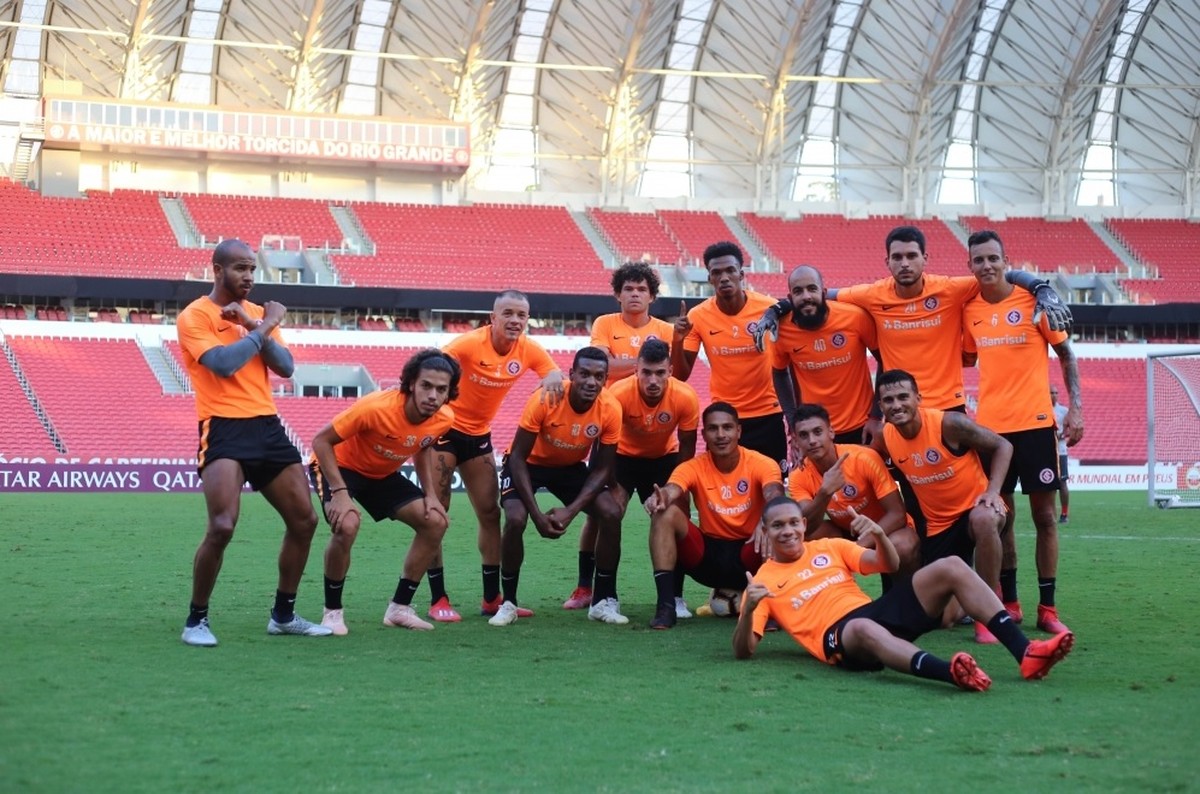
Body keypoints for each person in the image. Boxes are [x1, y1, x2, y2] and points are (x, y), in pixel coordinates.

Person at [733, 497, 1075, 691]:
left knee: (952, 565)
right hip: (838, 638)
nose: (788, 530)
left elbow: (887, 563)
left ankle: (1025, 652)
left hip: (874, 613)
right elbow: (744, 651)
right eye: (777, 525)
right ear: (766, 531)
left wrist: (880, 535)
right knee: (863, 629)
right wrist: (749, 609)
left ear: (804, 524)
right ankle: (950, 672)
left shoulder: (829, 546)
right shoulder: (761, 581)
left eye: (793, 522)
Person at [175, 239, 331, 646]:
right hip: (223, 427)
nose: (248, 276)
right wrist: (263, 325)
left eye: (251, 269)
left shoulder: (255, 314)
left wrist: (252, 323)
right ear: (217, 270)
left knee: (305, 520)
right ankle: (196, 620)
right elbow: (224, 365)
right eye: (240, 268)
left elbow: (287, 367)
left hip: (266, 426)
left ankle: (283, 615)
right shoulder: (195, 316)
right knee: (222, 525)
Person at [962, 230, 1084, 634]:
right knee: (1000, 519)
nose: (986, 265)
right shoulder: (969, 312)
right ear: (970, 266)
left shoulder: (1033, 302)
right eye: (978, 260)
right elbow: (964, 355)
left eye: (992, 258)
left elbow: (1066, 354)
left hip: (1035, 426)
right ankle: (1007, 603)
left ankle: (1047, 610)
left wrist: (1075, 409)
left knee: (1045, 517)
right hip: (992, 434)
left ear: (1005, 260)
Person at [429, 290, 564, 621]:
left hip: (478, 437)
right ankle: (438, 599)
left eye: (521, 315)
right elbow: (431, 366)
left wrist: (548, 384)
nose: (515, 320)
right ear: (493, 317)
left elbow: (554, 374)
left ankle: (492, 598)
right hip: (444, 432)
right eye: (508, 313)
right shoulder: (469, 344)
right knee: (436, 515)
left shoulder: (528, 349)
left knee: (490, 514)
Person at [308, 350, 460, 634]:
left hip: (381, 474)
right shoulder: (376, 408)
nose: (433, 396)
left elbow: (423, 445)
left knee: (436, 522)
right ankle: (332, 612)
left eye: (442, 389)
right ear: (411, 383)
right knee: (347, 525)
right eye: (426, 385)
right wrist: (340, 492)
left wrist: (430, 495)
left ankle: (399, 608)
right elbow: (321, 441)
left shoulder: (444, 418)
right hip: (339, 467)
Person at [873, 369, 1013, 644]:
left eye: (903, 397)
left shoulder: (948, 424)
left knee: (984, 520)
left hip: (977, 508)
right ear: (881, 406)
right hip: (939, 526)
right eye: (889, 400)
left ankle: (989, 614)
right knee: (943, 620)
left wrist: (993, 491)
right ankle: (967, 596)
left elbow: (1002, 446)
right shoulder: (885, 438)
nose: (897, 405)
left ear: (918, 398)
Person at [490, 347, 626, 627]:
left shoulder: (611, 408)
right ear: (572, 374)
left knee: (611, 512)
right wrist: (538, 516)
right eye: (585, 374)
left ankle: (601, 602)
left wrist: (571, 511)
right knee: (515, 519)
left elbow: (601, 469)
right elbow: (517, 458)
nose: (591, 382)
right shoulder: (545, 398)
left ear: (605, 379)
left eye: (599, 376)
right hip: (527, 464)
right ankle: (509, 603)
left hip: (569, 467)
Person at [565, 262, 675, 609]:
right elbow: (601, 366)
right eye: (628, 288)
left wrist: (627, 366)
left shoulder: (666, 330)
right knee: (600, 512)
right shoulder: (604, 324)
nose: (634, 294)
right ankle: (585, 587)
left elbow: (673, 372)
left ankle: (675, 594)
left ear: (652, 296)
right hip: (612, 430)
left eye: (642, 289)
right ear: (618, 293)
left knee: (670, 514)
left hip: (655, 436)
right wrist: (642, 364)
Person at [643, 402, 785, 629]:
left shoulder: (762, 463)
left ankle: (771, 608)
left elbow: (775, 495)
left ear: (738, 431)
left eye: (727, 428)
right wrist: (660, 498)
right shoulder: (692, 467)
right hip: (706, 558)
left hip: (750, 556)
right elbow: (673, 488)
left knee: (777, 520)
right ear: (704, 434)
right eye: (713, 428)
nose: (721, 435)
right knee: (664, 513)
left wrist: (767, 520)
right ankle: (666, 607)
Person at [602, 339, 699, 617]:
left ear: (670, 370)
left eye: (660, 373)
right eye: (647, 372)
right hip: (622, 458)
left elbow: (687, 449)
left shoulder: (686, 396)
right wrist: (610, 484)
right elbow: (603, 446)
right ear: (636, 371)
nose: (653, 380)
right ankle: (605, 598)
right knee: (609, 513)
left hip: (664, 460)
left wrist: (674, 489)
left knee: (673, 515)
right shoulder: (617, 394)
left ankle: (675, 597)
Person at [672, 241, 787, 468]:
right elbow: (680, 375)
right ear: (709, 279)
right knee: (727, 489)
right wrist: (677, 339)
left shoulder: (769, 308)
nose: (724, 277)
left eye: (730, 271)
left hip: (769, 414)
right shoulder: (699, 316)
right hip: (726, 418)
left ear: (741, 274)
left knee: (773, 489)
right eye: (717, 272)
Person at [786, 404, 918, 573]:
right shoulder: (798, 476)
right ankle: (840, 591)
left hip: (887, 528)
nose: (812, 440)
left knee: (904, 545)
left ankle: (904, 594)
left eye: (818, 432)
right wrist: (825, 492)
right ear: (796, 442)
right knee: (801, 538)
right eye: (804, 435)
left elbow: (897, 514)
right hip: (846, 532)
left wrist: (857, 547)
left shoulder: (863, 458)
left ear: (831, 433)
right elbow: (807, 527)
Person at [770, 266, 877, 443]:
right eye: (798, 291)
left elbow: (884, 360)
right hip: (816, 433)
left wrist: (876, 416)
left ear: (824, 292)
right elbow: (779, 373)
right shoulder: (781, 330)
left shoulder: (855, 317)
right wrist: (792, 420)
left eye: (812, 289)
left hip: (862, 426)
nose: (806, 296)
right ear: (790, 298)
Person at [1051, 386, 1071, 523]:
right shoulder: (1041, 409)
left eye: (1056, 393)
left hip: (1061, 451)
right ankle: (1049, 513)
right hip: (1045, 451)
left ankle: (1064, 513)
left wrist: (1062, 435)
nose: (1054, 395)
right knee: (1047, 483)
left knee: (1062, 482)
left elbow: (1070, 430)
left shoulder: (1063, 411)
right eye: (1051, 393)